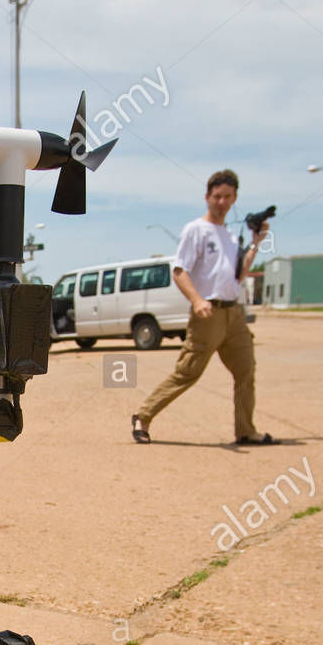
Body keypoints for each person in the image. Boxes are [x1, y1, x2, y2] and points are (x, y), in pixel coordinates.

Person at [131, 170, 273, 446]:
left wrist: (255, 244)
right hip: (207, 315)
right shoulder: (195, 230)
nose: (222, 202)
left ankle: (245, 430)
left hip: (234, 315)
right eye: (217, 196)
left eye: (228, 197)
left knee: (246, 372)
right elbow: (179, 271)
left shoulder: (232, 237)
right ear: (207, 197)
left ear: (235, 198)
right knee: (188, 372)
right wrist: (197, 300)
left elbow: (239, 275)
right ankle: (143, 416)